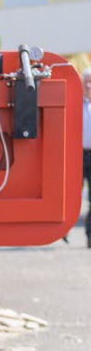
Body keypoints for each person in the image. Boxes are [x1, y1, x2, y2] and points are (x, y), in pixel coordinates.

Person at [83, 69, 91, 248]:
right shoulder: (76, 103)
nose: (89, 85)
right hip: (77, 154)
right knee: (70, 192)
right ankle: (63, 228)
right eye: (86, 81)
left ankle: (89, 234)